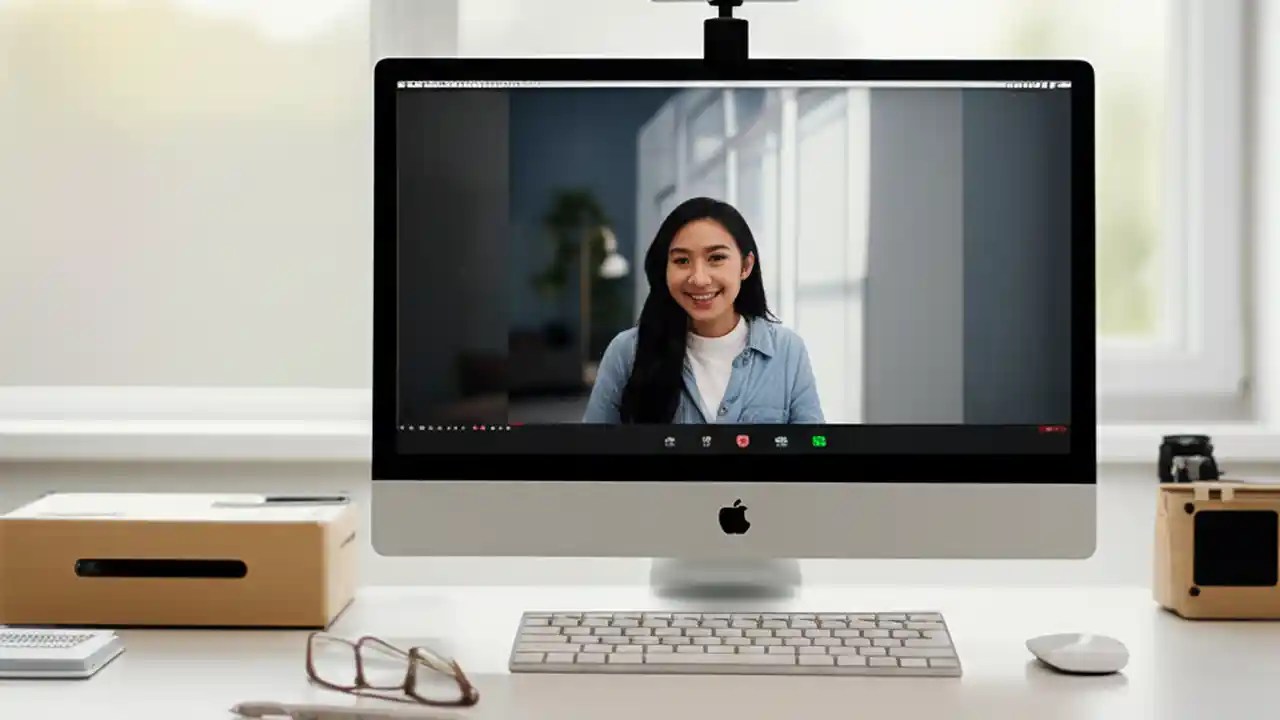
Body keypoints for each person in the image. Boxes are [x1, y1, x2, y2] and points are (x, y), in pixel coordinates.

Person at [582, 196, 824, 424]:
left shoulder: (787, 350)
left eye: (716, 258)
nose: (699, 279)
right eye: (682, 261)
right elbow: (593, 451)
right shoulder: (626, 351)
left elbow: (815, 449)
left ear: (746, 266)